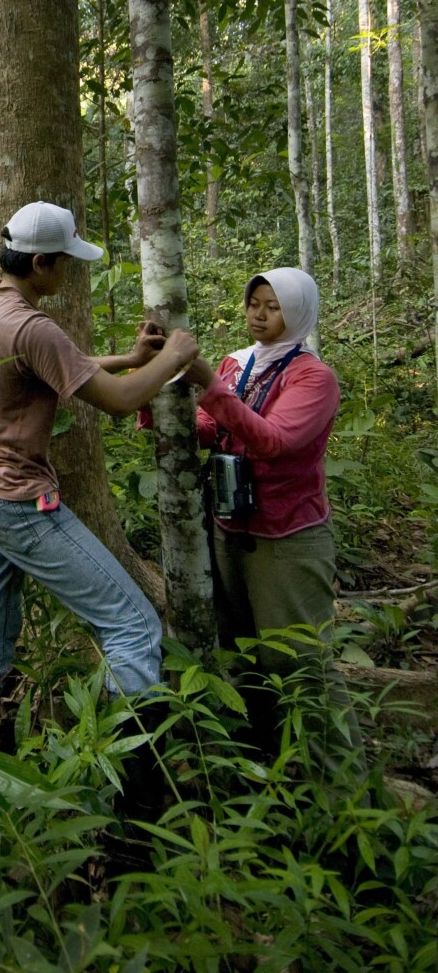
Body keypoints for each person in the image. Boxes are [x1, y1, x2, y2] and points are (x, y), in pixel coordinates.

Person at [0, 200, 199, 743]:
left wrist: (133, 359)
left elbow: (62, 367)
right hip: (16, 502)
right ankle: (140, 790)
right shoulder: (33, 326)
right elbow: (118, 402)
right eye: (64, 260)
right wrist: (173, 356)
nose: (69, 270)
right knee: (133, 626)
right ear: (39, 263)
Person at [184, 267, 363, 769]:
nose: (259, 314)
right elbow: (213, 425)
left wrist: (208, 386)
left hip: (287, 535)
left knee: (299, 662)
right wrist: (167, 402)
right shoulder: (238, 363)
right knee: (241, 652)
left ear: (298, 311)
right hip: (230, 527)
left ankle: (341, 784)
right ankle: (269, 767)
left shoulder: (312, 376)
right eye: (253, 303)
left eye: (273, 306)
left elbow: (275, 441)